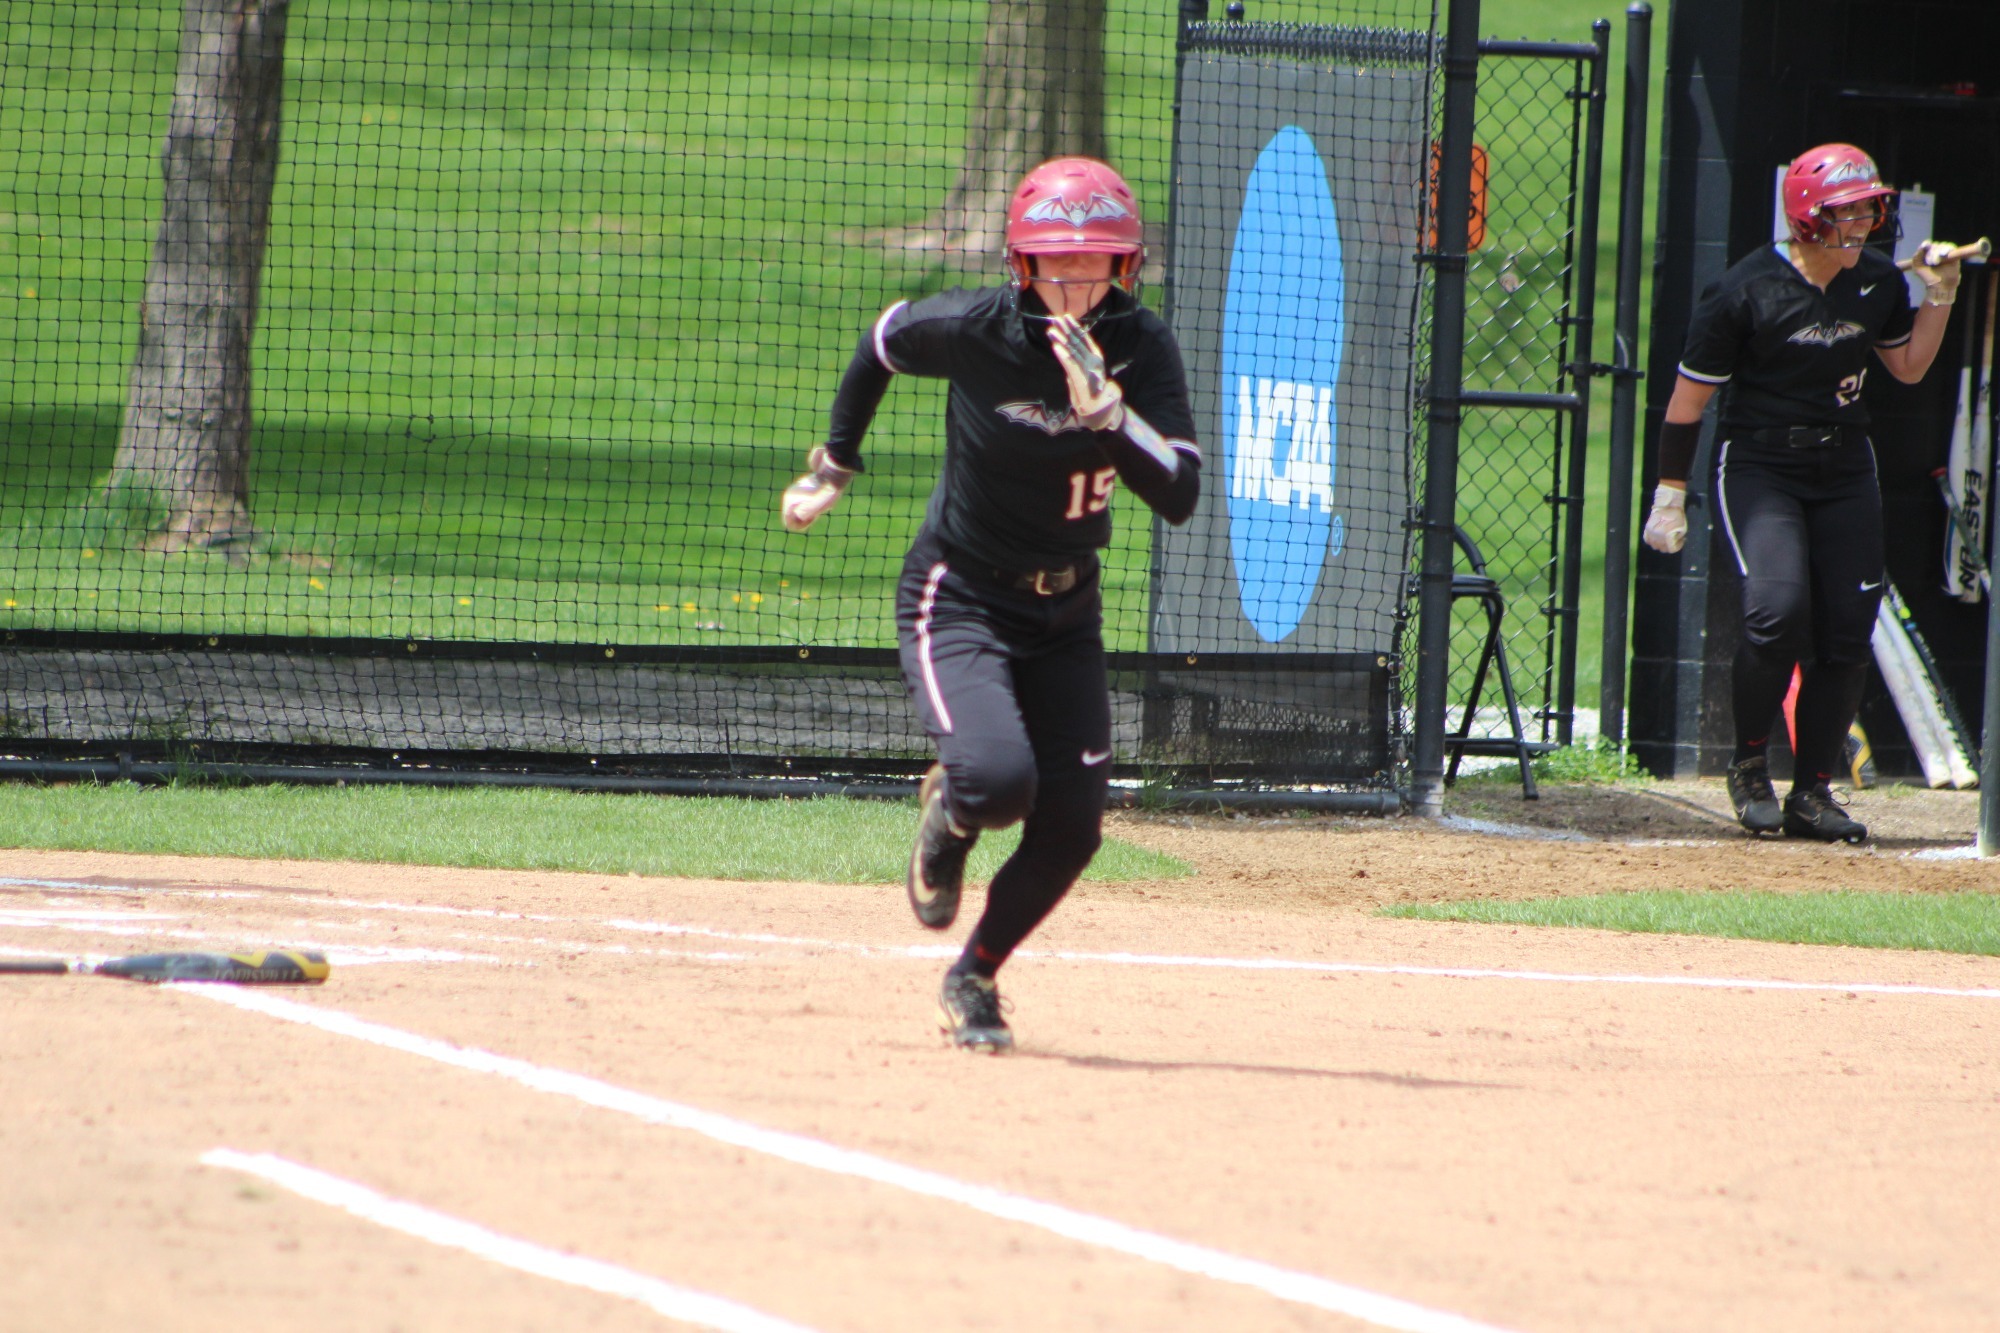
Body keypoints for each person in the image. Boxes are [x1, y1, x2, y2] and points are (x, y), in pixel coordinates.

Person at [779, 157, 1201, 1050]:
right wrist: (836, 465)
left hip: (1067, 613)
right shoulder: (977, 327)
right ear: (1021, 263)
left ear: (1125, 268)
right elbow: (882, 341)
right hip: (960, 593)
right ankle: (954, 807)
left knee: (1074, 828)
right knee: (999, 782)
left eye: (1096, 262)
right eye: (1053, 260)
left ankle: (973, 975)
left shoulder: (1141, 346)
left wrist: (1110, 417)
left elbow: (1179, 492)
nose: (1074, 279)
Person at [1641, 143, 1963, 842]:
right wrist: (1670, 494)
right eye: (1845, 215)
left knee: (1848, 630)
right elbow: (1686, 404)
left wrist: (1940, 294)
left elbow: (1908, 367)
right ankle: (1750, 766)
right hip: (1762, 465)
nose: (1863, 226)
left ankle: (1813, 790)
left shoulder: (1877, 281)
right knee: (1778, 610)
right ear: (1809, 220)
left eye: (1868, 212)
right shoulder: (1742, 291)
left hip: (1845, 466)